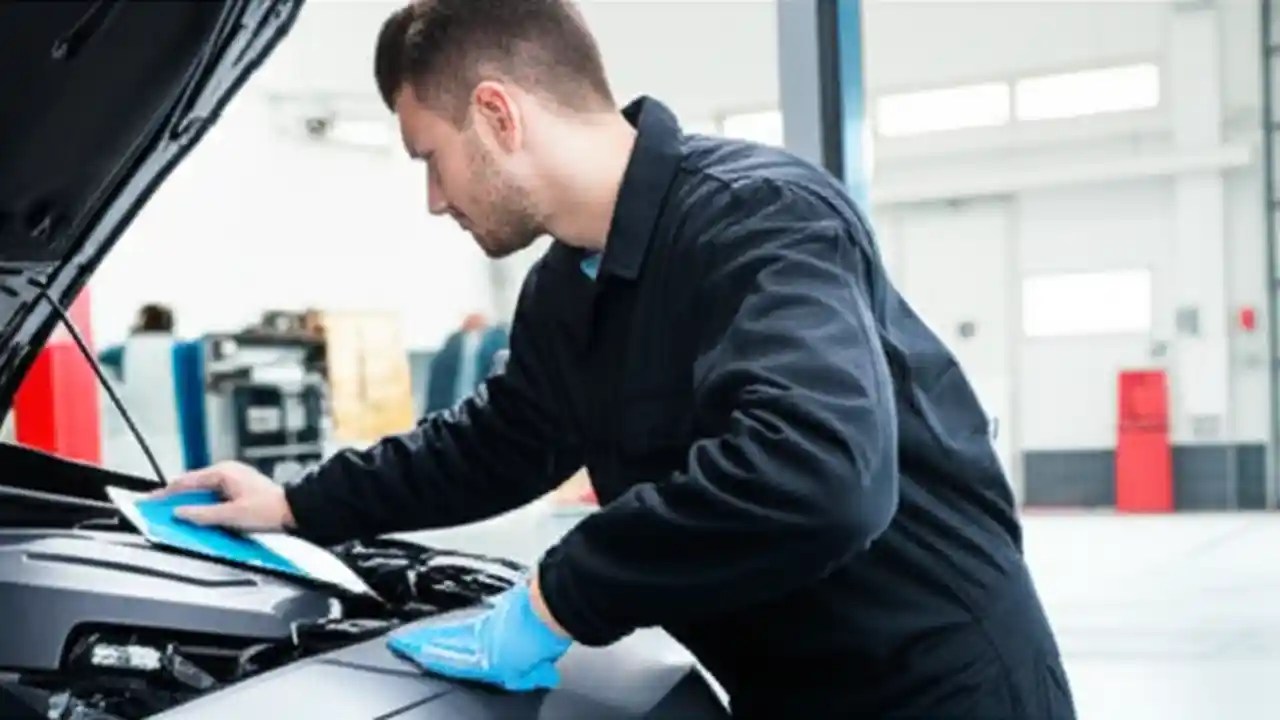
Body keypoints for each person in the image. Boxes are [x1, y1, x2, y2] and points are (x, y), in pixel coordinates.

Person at [153, 0, 1077, 716]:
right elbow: (501, 443)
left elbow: (819, 474)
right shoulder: (567, 285)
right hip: (782, 689)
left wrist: (559, 596)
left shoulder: (759, 219)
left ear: (498, 114)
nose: (434, 199)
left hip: (935, 688)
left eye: (431, 157)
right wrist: (297, 506)